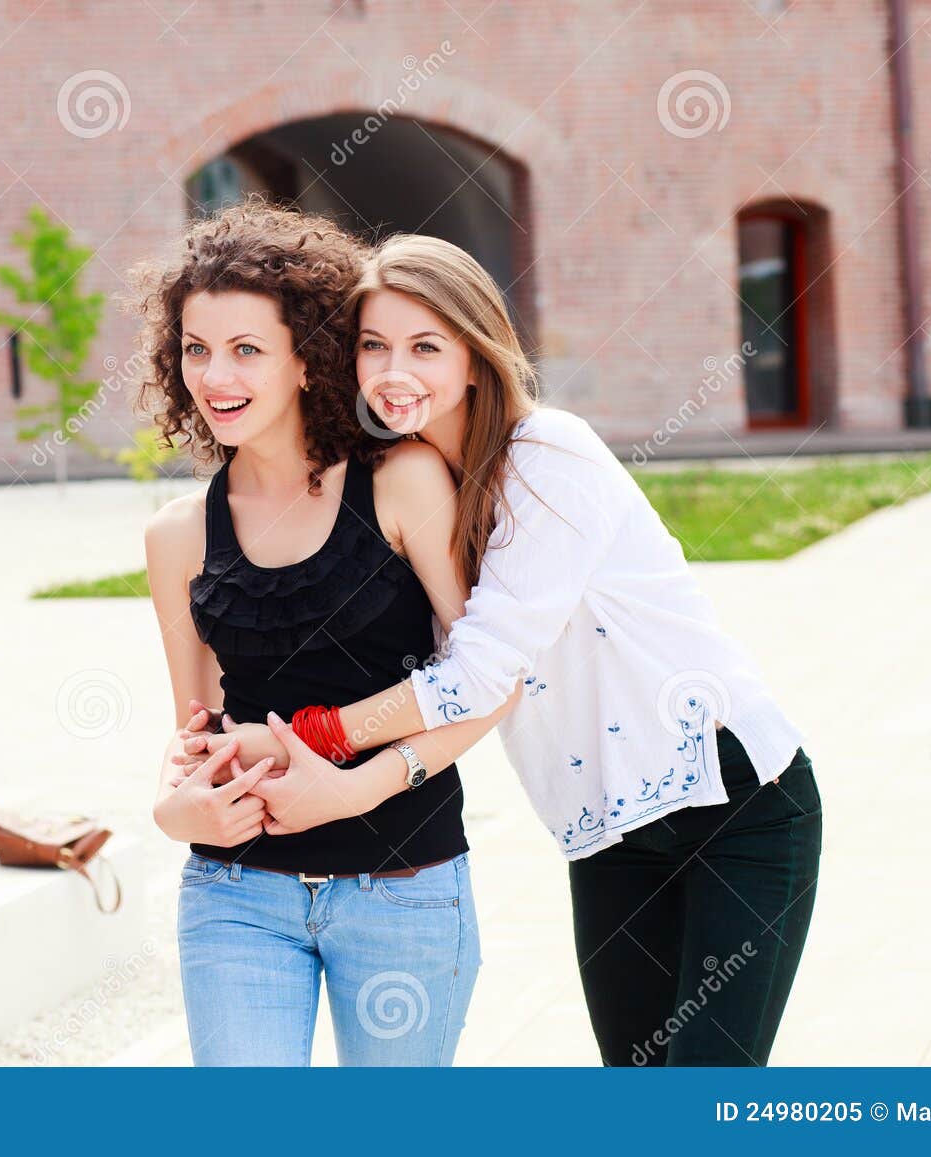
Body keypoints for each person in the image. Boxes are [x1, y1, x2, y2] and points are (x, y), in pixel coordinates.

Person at [184, 233, 824, 1066]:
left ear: (478, 358)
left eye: (424, 346)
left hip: (734, 797)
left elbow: (482, 672)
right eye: (373, 345)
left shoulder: (547, 453)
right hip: (604, 831)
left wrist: (301, 738)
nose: (392, 370)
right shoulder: (416, 483)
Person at [133, 202, 510, 1066]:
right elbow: (195, 729)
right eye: (196, 348)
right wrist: (170, 802)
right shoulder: (177, 534)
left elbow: (490, 681)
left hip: (404, 890)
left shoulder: (402, 484)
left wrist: (358, 788)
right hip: (236, 895)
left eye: (246, 350)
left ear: (307, 358)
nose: (214, 375)